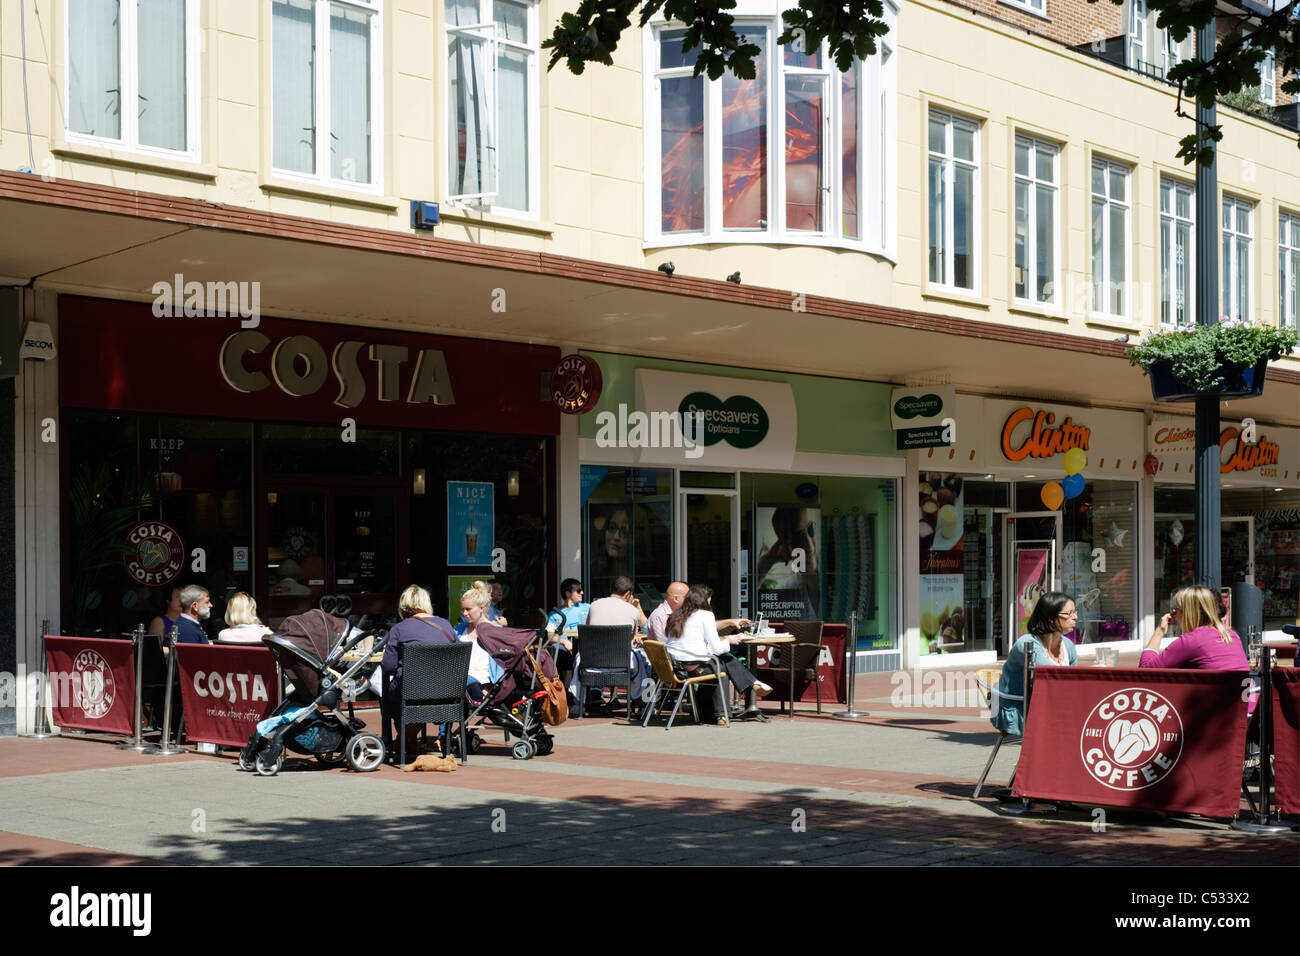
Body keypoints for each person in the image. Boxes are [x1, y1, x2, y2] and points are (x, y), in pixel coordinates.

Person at [663, 584, 770, 724]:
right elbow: (717, 649)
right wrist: (729, 640)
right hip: (695, 667)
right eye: (709, 599)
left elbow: (688, 643)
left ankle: (721, 715)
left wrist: (724, 639)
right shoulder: (705, 615)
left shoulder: (676, 615)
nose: (710, 603)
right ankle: (750, 685)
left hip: (674, 667)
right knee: (722, 664)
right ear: (704, 600)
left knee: (720, 665)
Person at [1141, 585, 1253, 712]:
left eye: (1175, 610)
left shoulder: (1191, 641)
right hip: (1246, 711)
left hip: (1218, 716)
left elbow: (1145, 672)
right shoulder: (1231, 635)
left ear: (1187, 612)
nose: (1174, 615)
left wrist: (1159, 631)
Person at [380, 585, 457, 756]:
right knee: (412, 685)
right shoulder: (446, 625)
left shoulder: (399, 629)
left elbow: (388, 667)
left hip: (410, 694)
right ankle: (408, 740)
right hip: (446, 695)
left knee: (392, 692)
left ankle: (404, 740)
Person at [992, 591, 1078, 735]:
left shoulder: (1068, 646)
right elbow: (1053, 677)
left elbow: (1073, 681)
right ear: (1051, 618)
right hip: (1019, 708)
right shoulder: (1027, 644)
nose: (1075, 617)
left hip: (1050, 705)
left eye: (1075, 612)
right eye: (1068, 614)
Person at [457, 583, 504, 703]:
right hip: (460, 679)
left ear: (481, 608)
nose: (465, 613)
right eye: (463, 609)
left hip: (482, 680)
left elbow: (503, 664)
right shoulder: (458, 629)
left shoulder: (495, 630)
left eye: (468, 609)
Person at [545, 578, 590, 686]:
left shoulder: (587, 608)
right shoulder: (555, 614)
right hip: (565, 649)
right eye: (578, 590)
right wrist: (565, 643)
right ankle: (561, 690)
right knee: (556, 651)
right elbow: (549, 635)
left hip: (586, 647)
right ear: (568, 593)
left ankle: (594, 691)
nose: (582, 592)